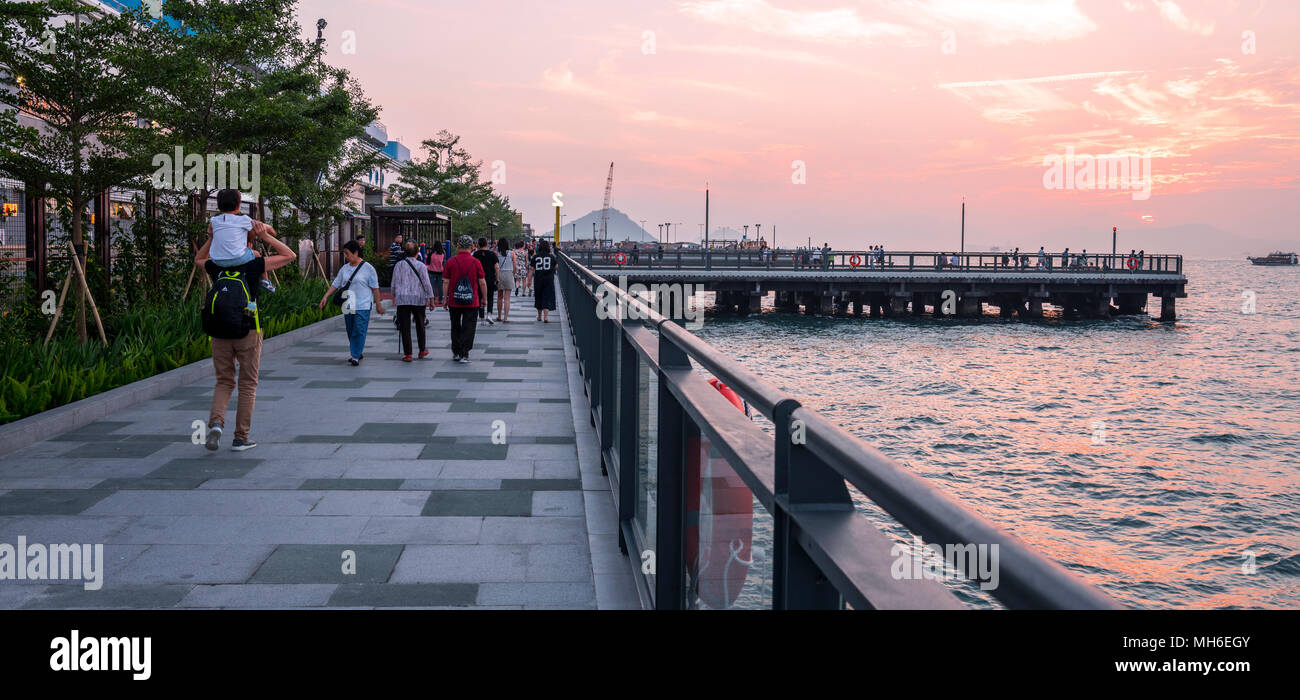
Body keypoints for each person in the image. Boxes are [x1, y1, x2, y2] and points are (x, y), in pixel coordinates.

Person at [195, 214, 297, 452]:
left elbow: (198, 259)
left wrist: (211, 239)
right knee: (247, 384)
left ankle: (216, 424)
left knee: (223, 381)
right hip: (249, 329)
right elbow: (290, 255)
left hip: (219, 330)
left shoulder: (216, 265)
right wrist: (264, 235)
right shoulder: (253, 263)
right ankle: (241, 437)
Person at [320, 240, 384, 366]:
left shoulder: (368, 268)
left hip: (363, 305)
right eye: (345, 254)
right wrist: (326, 296)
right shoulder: (344, 268)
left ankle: (355, 355)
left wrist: (378, 304)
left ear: (356, 252)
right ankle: (357, 351)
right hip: (348, 305)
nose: (346, 256)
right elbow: (336, 284)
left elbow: (375, 288)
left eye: (347, 253)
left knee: (359, 330)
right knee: (350, 330)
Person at [443, 235, 488, 363]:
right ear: (472, 247)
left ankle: (456, 351)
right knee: (469, 327)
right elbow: (482, 282)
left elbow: (446, 282)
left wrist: (445, 299)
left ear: (458, 246)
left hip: (454, 300)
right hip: (472, 300)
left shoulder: (451, 262)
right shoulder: (476, 262)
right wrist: (484, 298)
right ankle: (464, 353)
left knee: (455, 326)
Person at [391, 241, 436, 362]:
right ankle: (422, 350)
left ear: (405, 253)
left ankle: (408, 354)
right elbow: (427, 283)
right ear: (417, 253)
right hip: (418, 298)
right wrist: (431, 299)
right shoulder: (421, 266)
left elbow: (394, 283)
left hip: (403, 298)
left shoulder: (398, 265)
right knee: (420, 324)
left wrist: (394, 296)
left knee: (404, 326)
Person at [473, 237, 498, 325]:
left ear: (478, 245)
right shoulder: (492, 254)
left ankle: (482, 318)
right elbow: (497, 267)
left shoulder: (475, 254)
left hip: (479, 279)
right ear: (487, 244)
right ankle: (489, 315)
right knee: (490, 297)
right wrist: (497, 278)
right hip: (490, 278)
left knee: (480, 297)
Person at [532, 239, 557, 322]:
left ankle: (539, 316)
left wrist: (529, 281)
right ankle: (546, 317)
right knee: (547, 297)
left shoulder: (535, 257)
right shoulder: (551, 257)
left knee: (539, 296)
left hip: (538, 279)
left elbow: (531, 269)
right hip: (549, 280)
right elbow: (556, 266)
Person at [495, 237, 513, 322]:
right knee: (507, 298)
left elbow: (494, 266)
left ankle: (499, 316)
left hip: (499, 274)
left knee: (499, 297)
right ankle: (505, 318)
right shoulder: (511, 253)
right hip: (509, 273)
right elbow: (515, 266)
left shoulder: (496, 253)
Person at [427, 241, 445, 307]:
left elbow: (428, 262)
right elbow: (443, 262)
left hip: (431, 271)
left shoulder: (431, 254)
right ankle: (440, 299)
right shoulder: (443, 254)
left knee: (432, 286)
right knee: (440, 286)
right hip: (440, 271)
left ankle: (433, 299)